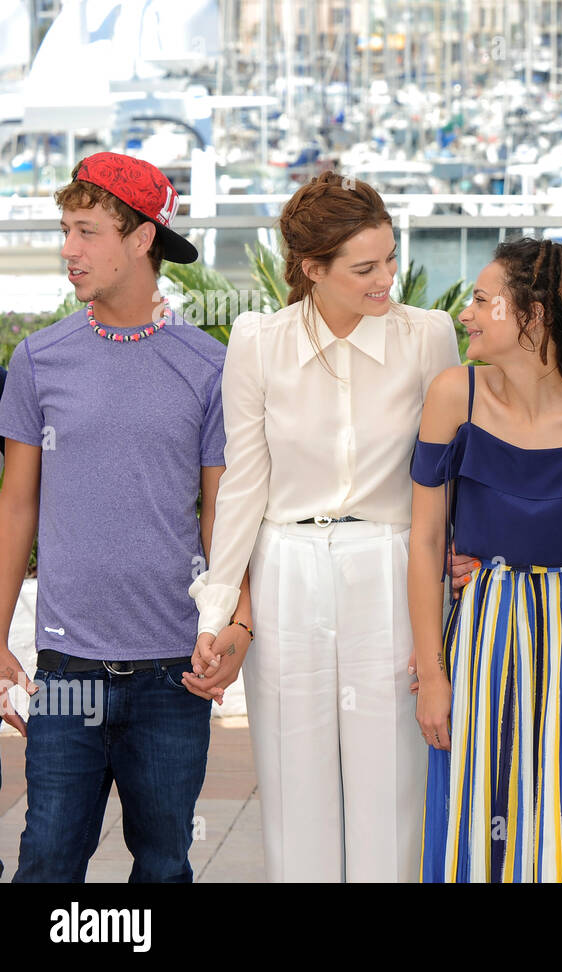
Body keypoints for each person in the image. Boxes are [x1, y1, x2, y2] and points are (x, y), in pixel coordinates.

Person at [188, 171, 460, 882]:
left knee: (394, 784)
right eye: (366, 268)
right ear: (313, 269)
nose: (387, 279)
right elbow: (243, 483)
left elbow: (449, 477)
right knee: (290, 782)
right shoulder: (258, 339)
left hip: (393, 563)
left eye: (391, 259)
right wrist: (217, 612)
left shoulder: (428, 336)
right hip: (288, 567)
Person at [0, 153, 233, 882]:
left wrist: (227, 629)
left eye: (87, 231)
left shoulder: (207, 366)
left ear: (142, 239)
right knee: (46, 860)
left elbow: (221, 521)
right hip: (67, 668)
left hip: (173, 672)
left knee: (164, 865)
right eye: (65, 230)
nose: (69, 250)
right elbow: (17, 502)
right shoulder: (40, 361)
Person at [410, 237, 562, 883]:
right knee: (473, 816)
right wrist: (433, 675)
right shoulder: (454, 394)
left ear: (534, 317)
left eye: (485, 301)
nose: (467, 313)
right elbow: (426, 541)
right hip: (482, 630)